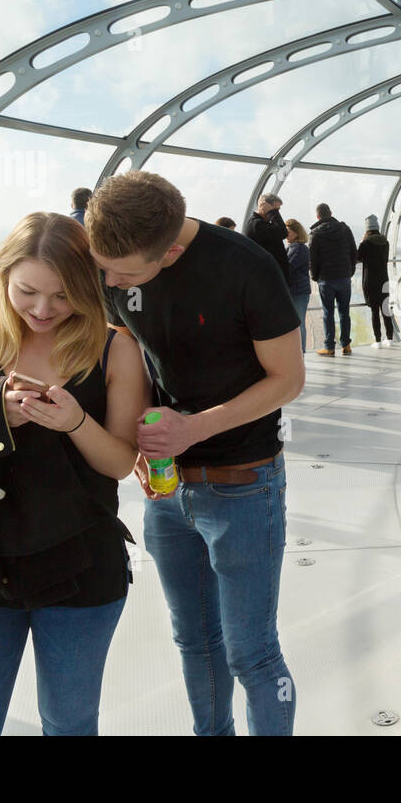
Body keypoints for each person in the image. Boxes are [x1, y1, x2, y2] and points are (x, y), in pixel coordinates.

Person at [86, 170, 304, 736]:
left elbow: (288, 378)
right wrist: (135, 436)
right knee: (194, 642)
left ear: (174, 249)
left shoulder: (247, 268)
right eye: (101, 266)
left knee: (251, 653)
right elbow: (126, 344)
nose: (107, 280)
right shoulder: (113, 263)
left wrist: (195, 429)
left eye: (123, 273)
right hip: (165, 486)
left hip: (244, 483)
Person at [0, 212, 147, 734]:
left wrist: (74, 420)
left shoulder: (116, 347)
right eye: (27, 291)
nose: (43, 310)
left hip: (82, 561)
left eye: (63, 296)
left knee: (69, 721)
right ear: (2, 276)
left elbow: (118, 463)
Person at [308, 202, 357, 357]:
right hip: (344, 277)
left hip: (326, 279)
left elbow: (313, 260)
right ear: (331, 213)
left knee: (328, 313)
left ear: (318, 216)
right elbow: (353, 251)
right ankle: (346, 345)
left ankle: (329, 347)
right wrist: (350, 270)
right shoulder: (344, 229)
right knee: (344, 312)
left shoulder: (315, 234)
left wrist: (315, 277)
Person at [357, 214, 394, 347]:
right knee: (385, 309)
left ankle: (377, 340)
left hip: (370, 281)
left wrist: (362, 242)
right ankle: (390, 338)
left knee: (374, 312)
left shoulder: (366, 243)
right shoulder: (386, 242)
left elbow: (358, 257)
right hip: (384, 280)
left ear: (367, 229)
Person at [244, 193, 291, 287]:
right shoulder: (256, 224)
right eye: (275, 210)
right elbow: (283, 232)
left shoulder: (262, 223)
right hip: (268, 280)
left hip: (271, 278)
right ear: (263, 205)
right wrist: (272, 213)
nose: (277, 213)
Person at [285, 218, 311, 353]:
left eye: (288, 231)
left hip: (299, 292)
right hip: (296, 291)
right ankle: (298, 352)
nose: (285, 234)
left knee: (299, 323)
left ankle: (301, 352)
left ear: (296, 233)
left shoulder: (300, 249)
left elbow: (289, 268)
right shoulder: (291, 248)